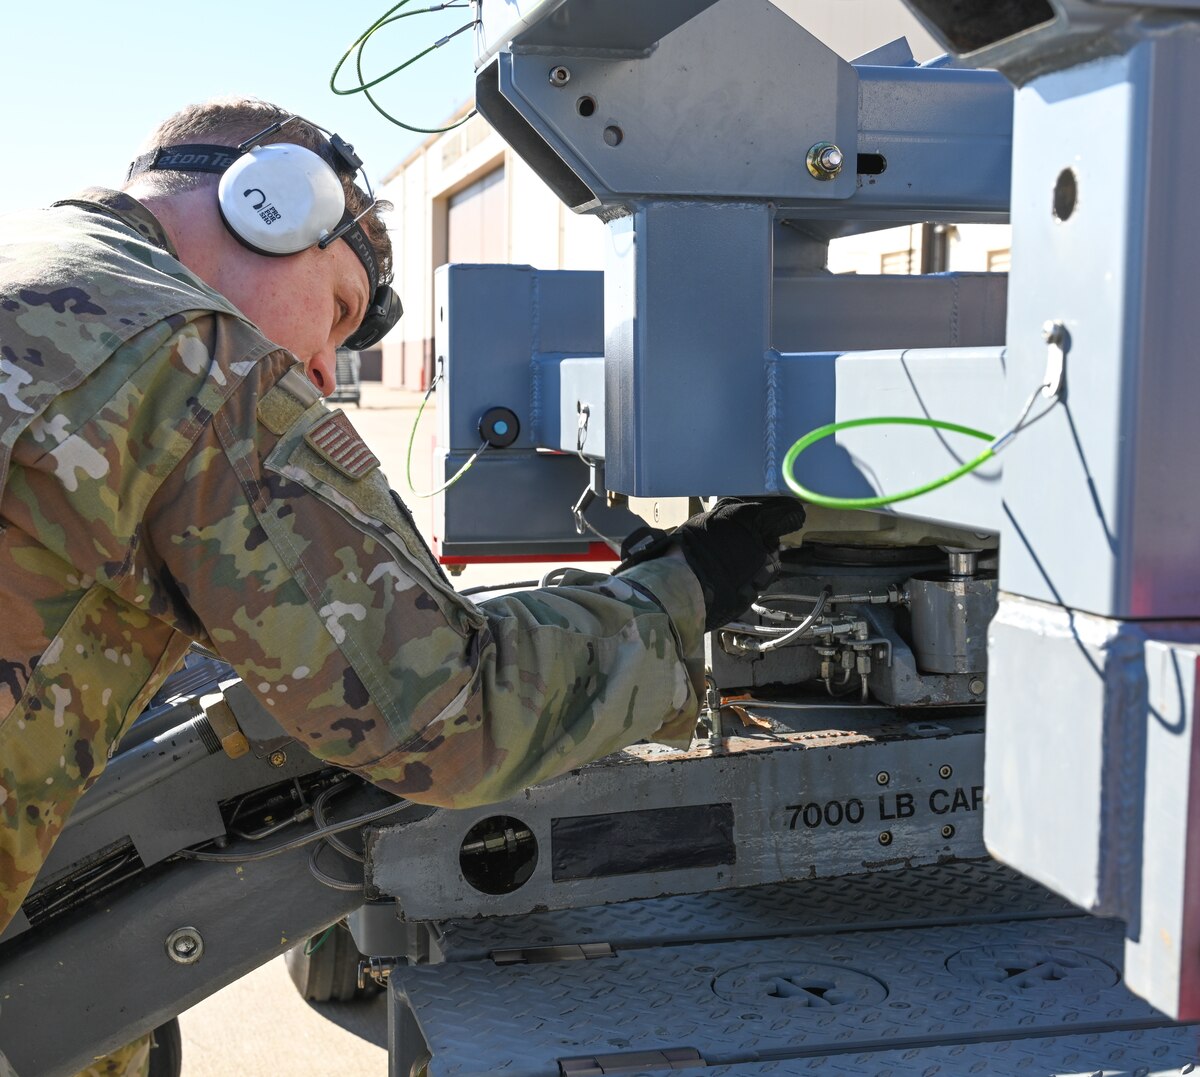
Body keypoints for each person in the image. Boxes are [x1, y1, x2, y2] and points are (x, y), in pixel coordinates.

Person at [0, 97, 804, 1075]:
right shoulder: (183, 350)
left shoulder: (38, 270)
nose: (321, 369)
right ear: (272, 203)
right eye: (337, 308)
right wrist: (684, 594)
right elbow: (444, 712)